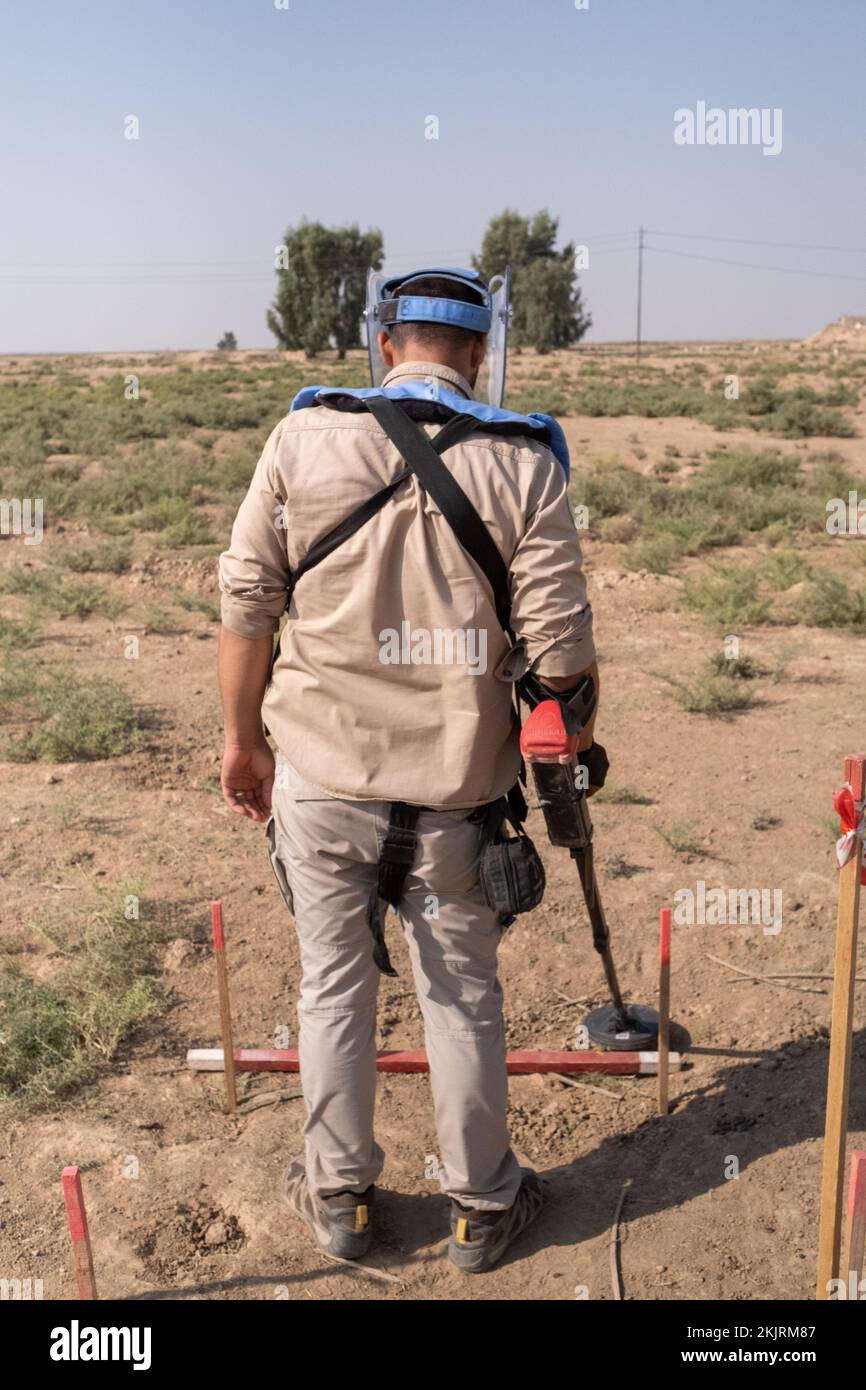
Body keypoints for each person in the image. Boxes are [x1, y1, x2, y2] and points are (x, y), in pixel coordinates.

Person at [217, 267, 598, 1273]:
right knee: (462, 995)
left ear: (386, 343)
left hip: (318, 780)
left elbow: (247, 602)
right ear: (476, 355)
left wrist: (240, 741)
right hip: (455, 797)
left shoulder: (301, 437)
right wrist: (567, 744)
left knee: (331, 987)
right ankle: (481, 1207)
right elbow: (560, 659)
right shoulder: (525, 462)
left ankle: (339, 1197)